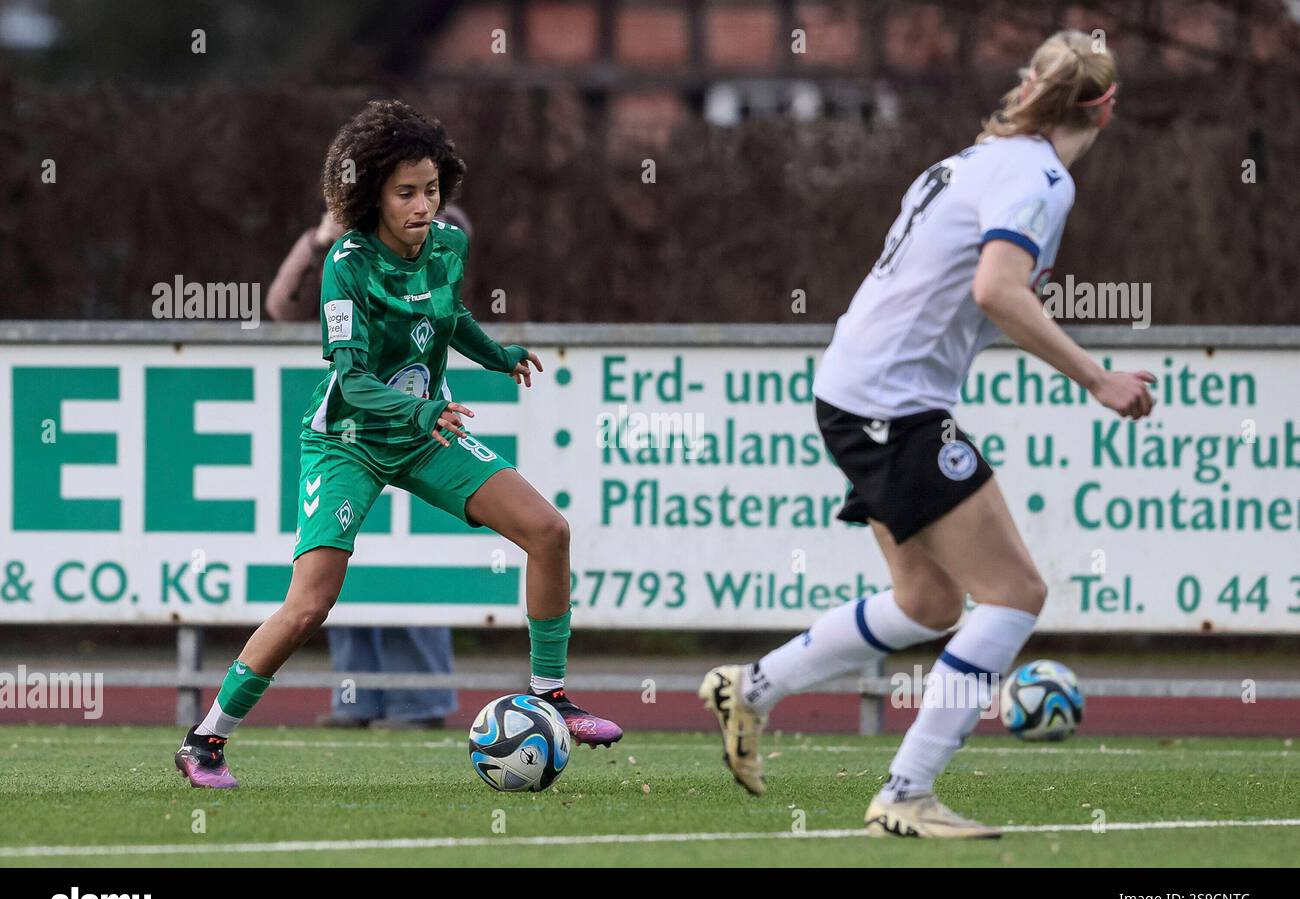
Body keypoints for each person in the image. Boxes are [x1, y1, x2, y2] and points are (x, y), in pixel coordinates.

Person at [700, 31, 1152, 838]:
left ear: (1031, 89)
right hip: (891, 403)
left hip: (855, 387)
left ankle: (751, 686)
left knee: (929, 599)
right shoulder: (1038, 178)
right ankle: (905, 792)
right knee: (1016, 594)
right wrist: (1098, 377)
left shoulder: (972, 160)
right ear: (1105, 107)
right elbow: (996, 289)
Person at [175, 99, 623, 788]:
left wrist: (494, 353)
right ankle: (206, 740)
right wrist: (419, 415)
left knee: (548, 529)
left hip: (423, 432)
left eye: (433, 190)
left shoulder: (448, 244)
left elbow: (448, 315)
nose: (423, 205)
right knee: (309, 604)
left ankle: (551, 699)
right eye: (406, 192)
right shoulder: (346, 265)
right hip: (349, 440)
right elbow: (350, 381)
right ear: (372, 195)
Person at [266, 207, 476, 731]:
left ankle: (418, 701)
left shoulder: (438, 224)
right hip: (344, 421)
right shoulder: (345, 244)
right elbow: (280, 308)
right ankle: (355, 697)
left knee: (412, 559)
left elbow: (448, 287)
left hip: (416, 418)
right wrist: (319, 240)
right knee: (333, 561)